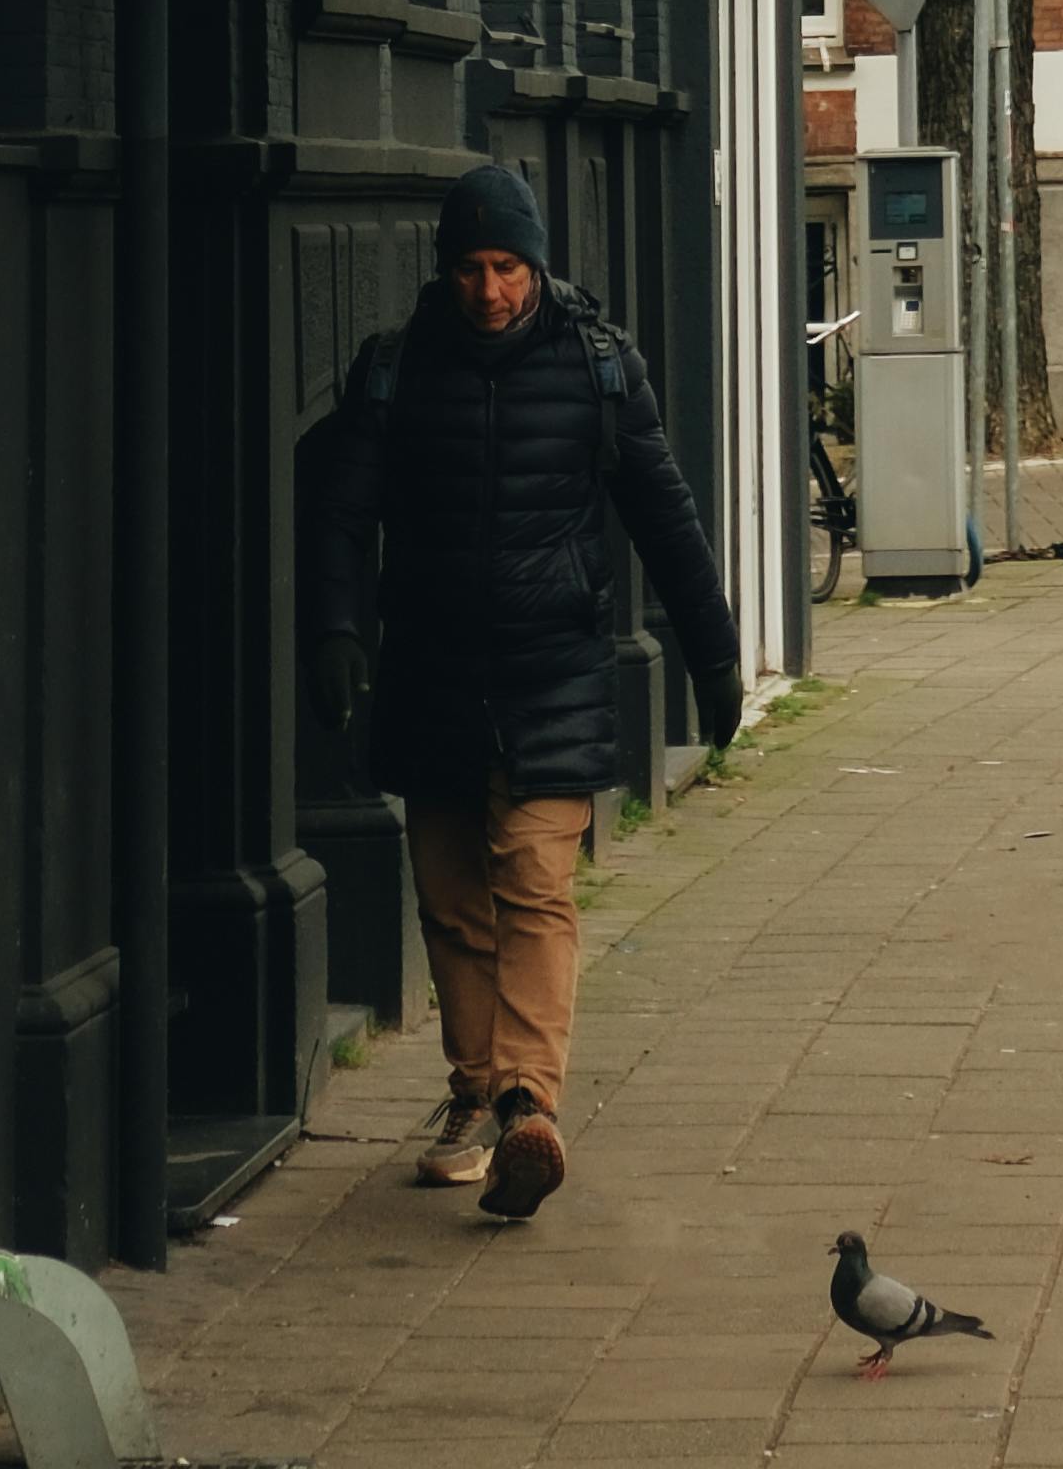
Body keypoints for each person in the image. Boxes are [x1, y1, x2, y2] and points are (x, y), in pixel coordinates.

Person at [305, 156, 743, 1220]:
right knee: (452, 902)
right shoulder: (396, 371)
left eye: (508, 267)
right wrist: (336, 630)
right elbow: (339, 517)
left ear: (538, 267)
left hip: (553, 672)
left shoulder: (597, 366)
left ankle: (526, 1106)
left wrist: (713, 651)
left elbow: (664, 512)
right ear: (445, 272)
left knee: (536, 888)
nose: (490, 291)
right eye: (470, 269)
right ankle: (472, 1095)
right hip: (432, 673)